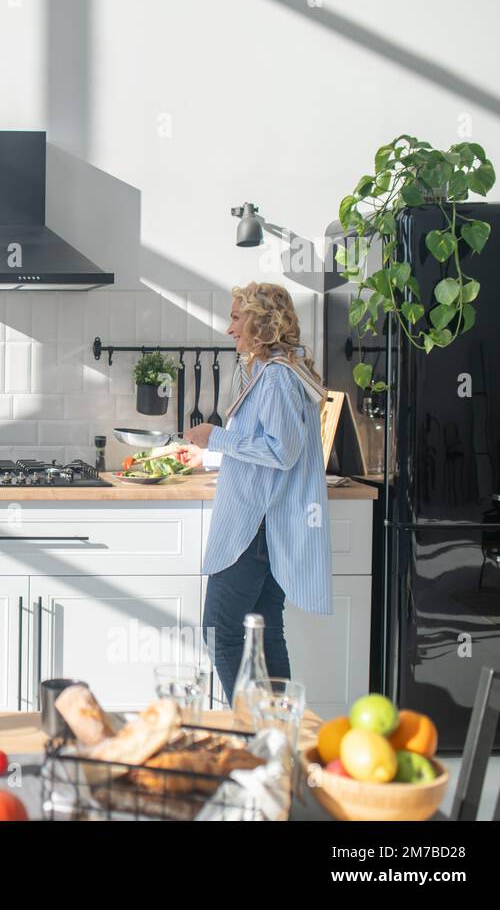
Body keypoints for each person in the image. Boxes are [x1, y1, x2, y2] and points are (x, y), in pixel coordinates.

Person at [176, 282, 330, 704]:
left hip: (255, 529)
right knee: (265, 631)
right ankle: (277, 734)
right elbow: (264, 449)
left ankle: (255, 732)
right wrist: (209, 454)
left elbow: (283, 451)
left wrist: (217, 438)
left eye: (236, 317)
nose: (229, 329)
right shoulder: (273, 370)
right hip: (268, 524)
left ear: (261, 321)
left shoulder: (277, 377)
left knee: (221, 632)